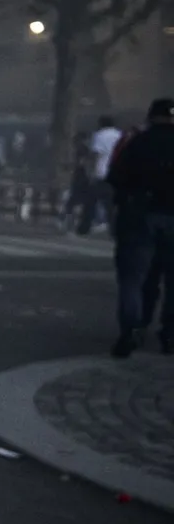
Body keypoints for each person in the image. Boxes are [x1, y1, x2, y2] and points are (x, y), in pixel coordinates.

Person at [107, 98, 174, 357]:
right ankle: (169, 334)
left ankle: (131, 330)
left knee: (133, 280)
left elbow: (115, 178)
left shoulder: (135, 142)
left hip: (140, 217)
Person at [80, 114, 123, 235]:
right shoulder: (120, 135)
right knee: (111, 205)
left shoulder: (99, 136)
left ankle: (84, 227)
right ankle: (114, 229)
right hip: (116, 173)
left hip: (101, 173)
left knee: (90, 203)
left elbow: (96, 154)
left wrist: (91, 172)